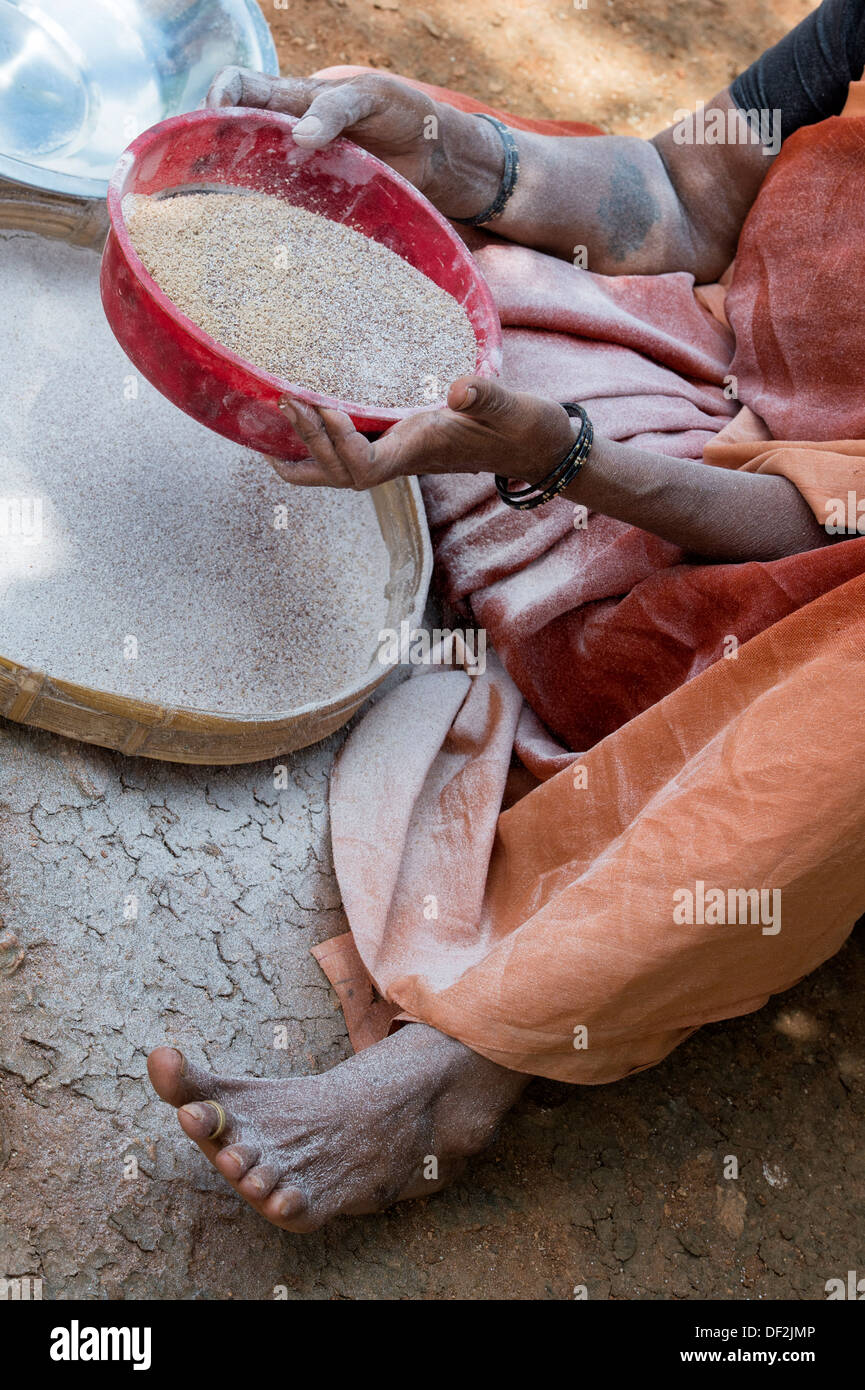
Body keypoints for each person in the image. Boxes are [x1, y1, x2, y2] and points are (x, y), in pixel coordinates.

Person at [148, 0, 865, 1232]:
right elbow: (682, 194)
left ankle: (471, 1059)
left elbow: (822, 534)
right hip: (714, 406)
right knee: (408, 223)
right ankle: (528, 541)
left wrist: (566, 460)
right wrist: (441, 146)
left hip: (806, 579)